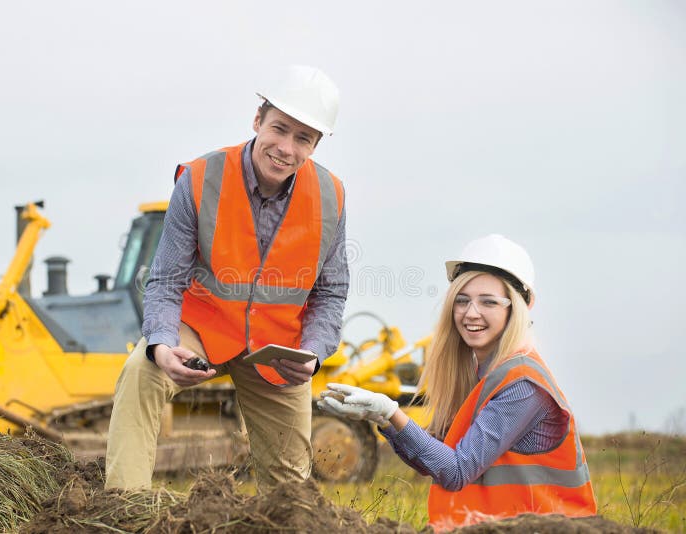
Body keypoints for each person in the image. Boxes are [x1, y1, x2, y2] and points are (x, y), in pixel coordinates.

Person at [105, 65, 349, 492]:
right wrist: (161, 343)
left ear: (316, 145)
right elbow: (166, 279)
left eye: (303, 138)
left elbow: (331, 292)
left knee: (291, 493)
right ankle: (124, 507)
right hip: (203, 328)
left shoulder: (331, 196)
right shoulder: (201, 178)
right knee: (141, 372)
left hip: (278, 350)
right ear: (257, 120)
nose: (286, 148)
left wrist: (313, 352)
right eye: (279, 129)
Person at [318, 234, 597, 528]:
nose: (470, 313)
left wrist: (391, 412)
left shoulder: (523, 385)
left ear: (519, 307)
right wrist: (384, 420)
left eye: (488, 302)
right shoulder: (484, 375)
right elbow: (433, 458)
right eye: (462, 301)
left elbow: (456, 471)